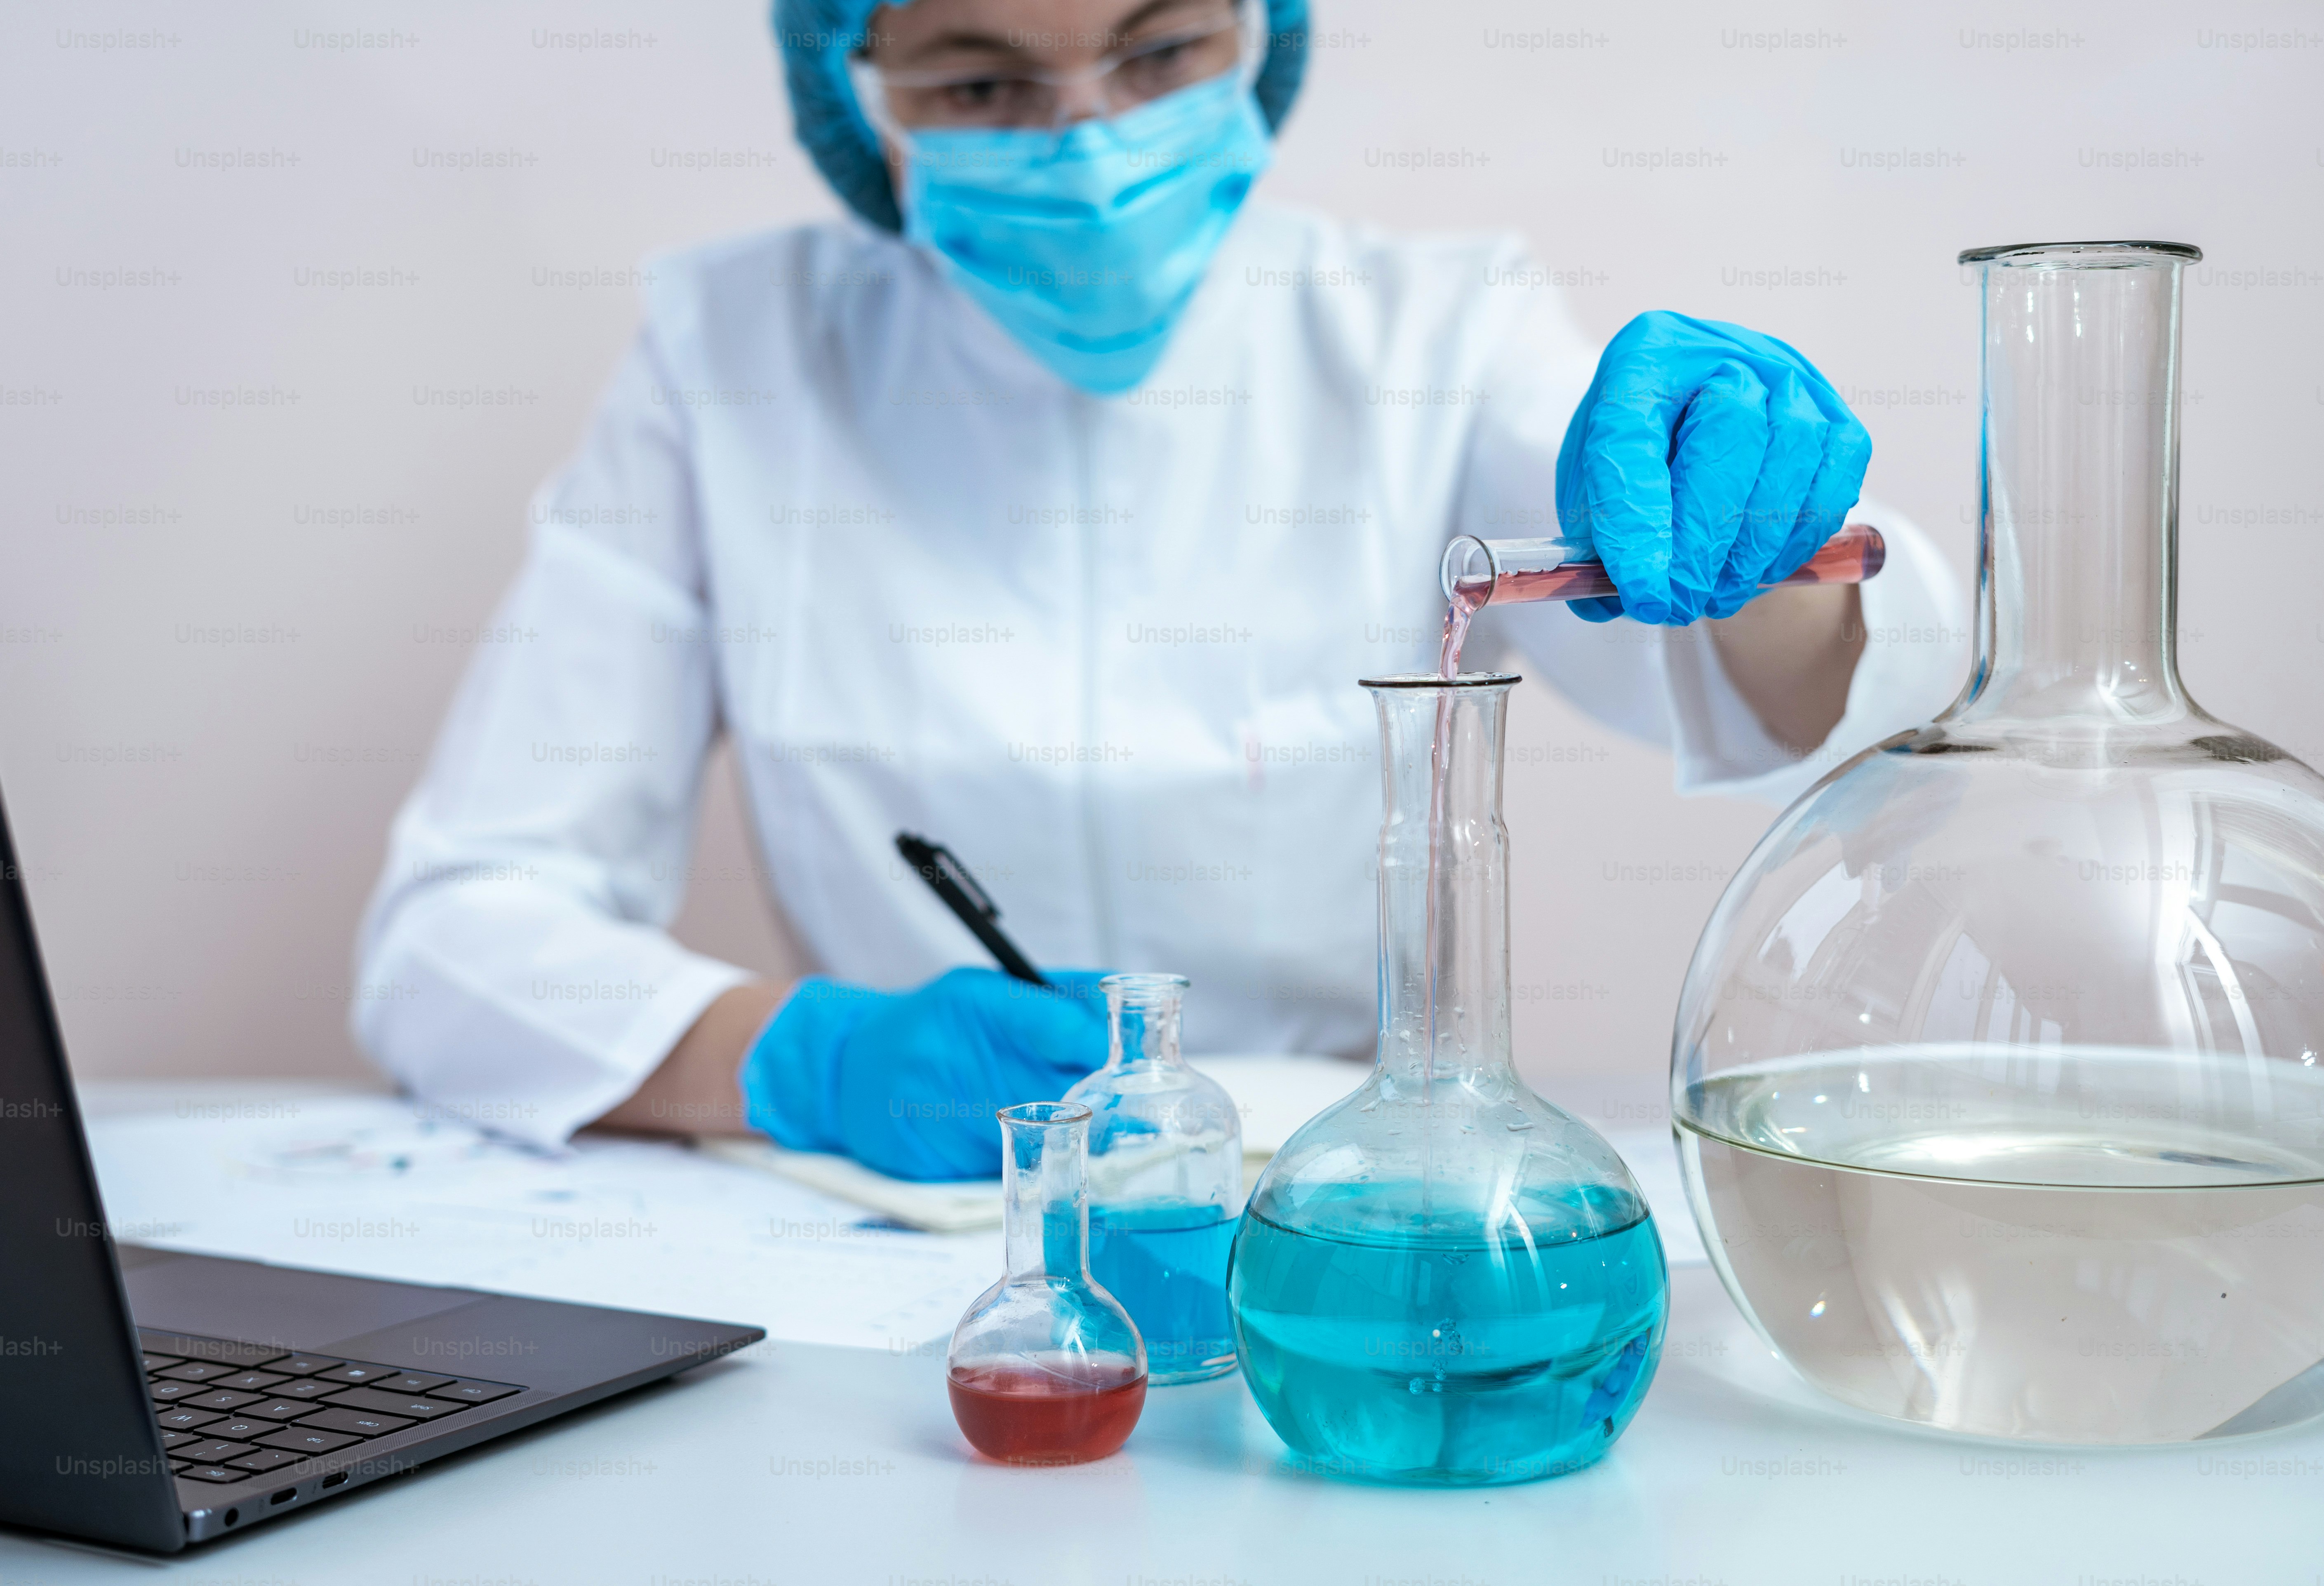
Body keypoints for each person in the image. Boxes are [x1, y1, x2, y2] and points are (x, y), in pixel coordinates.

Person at [352, 0, 1965, 1179]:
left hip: (1324, 1192)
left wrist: (1750, 527)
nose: (1090, 142)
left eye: (1162, 48)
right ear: (861, 92)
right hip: (913, 1221)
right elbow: (453, 940)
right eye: (981, 77)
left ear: (1260, 30)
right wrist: (801, 1060)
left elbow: (1822, 688)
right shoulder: (732, 358)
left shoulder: (1430, 332)